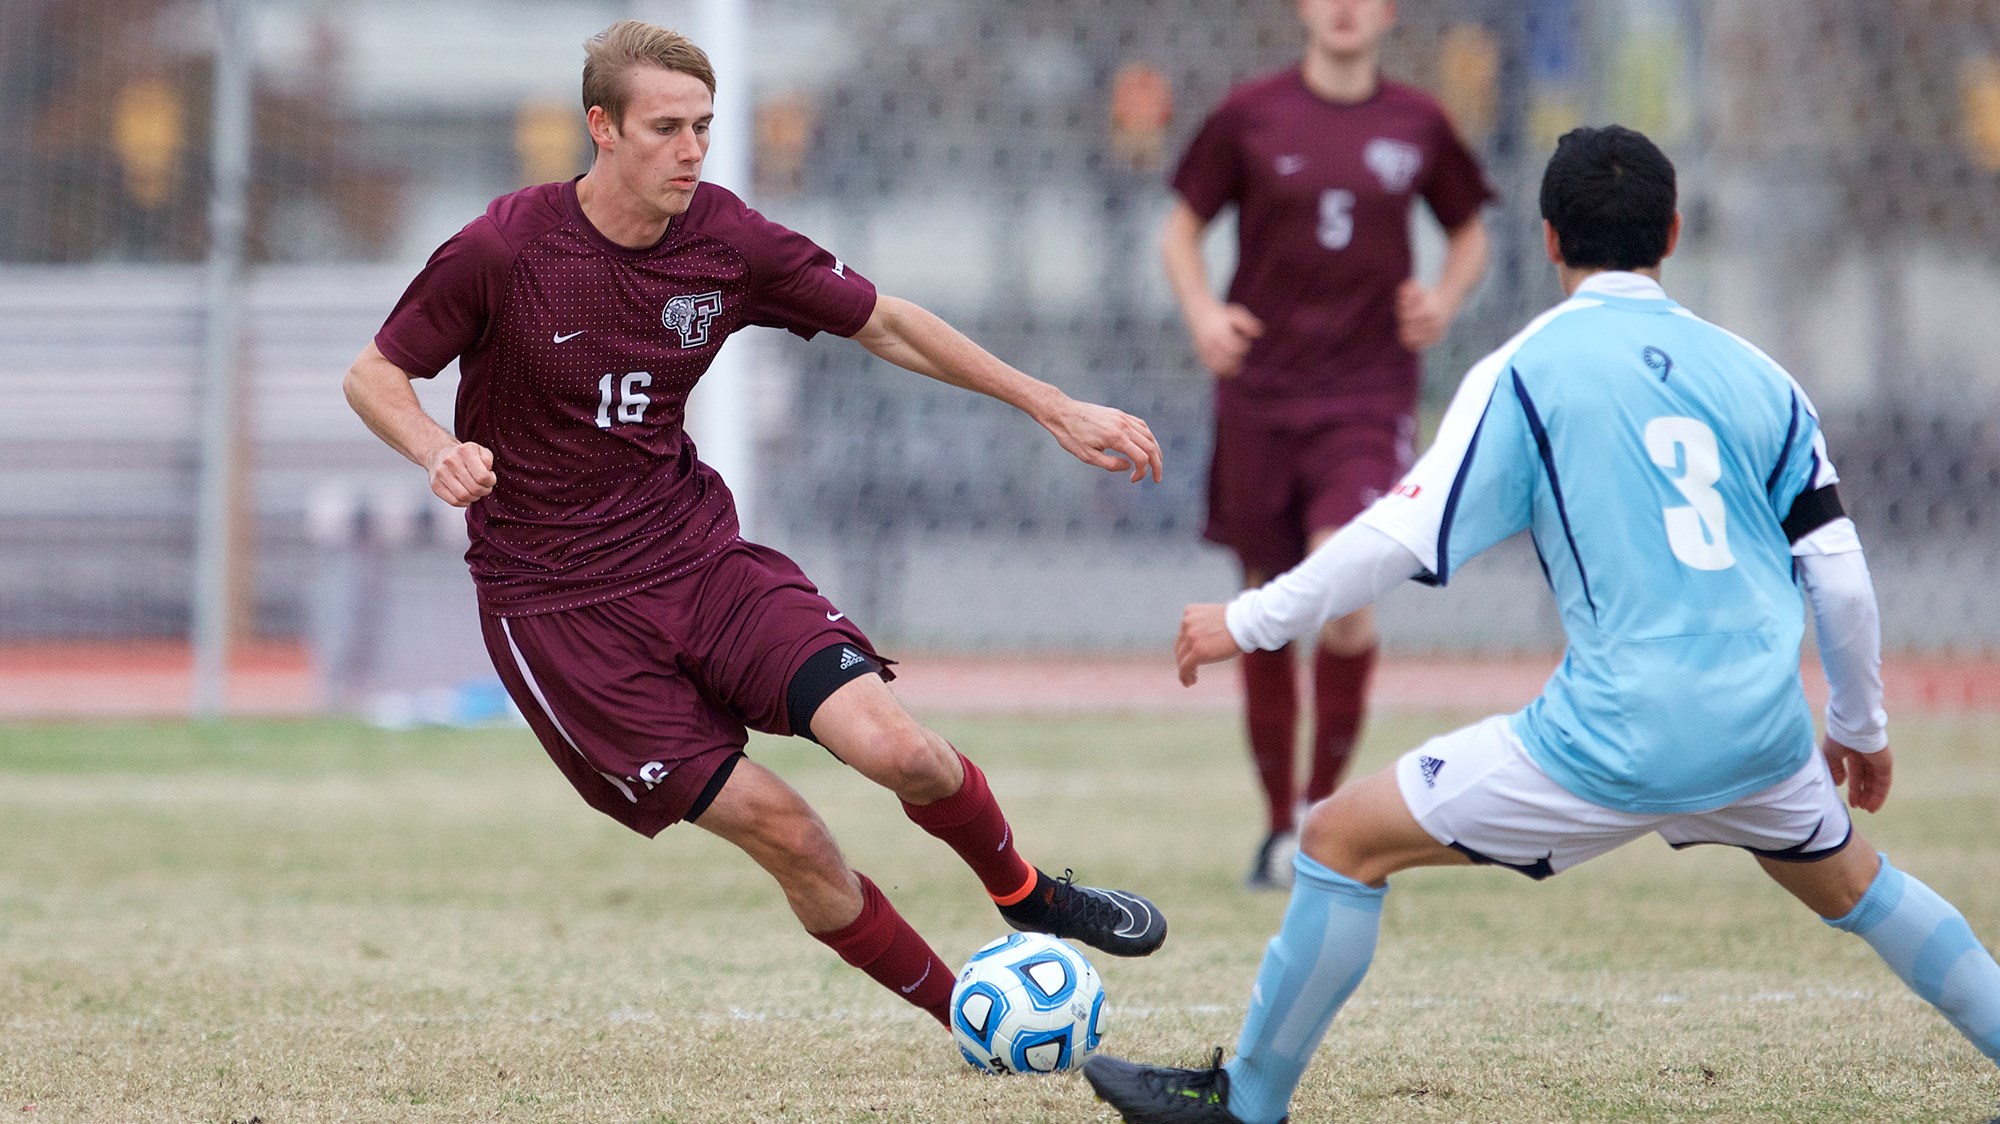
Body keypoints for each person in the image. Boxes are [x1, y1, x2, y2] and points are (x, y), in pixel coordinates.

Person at [1084, 125, 2000, 1123]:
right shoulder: (1757, 375)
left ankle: (1245, 1103)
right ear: (1673, 233)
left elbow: (1396, 530)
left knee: (1337, 838)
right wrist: (1858, 727)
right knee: (1856, 888)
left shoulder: (1525, 370)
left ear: (1550, 239)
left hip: (1609, 731)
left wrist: (1248, 618)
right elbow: (1839, 574)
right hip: (1759, 726)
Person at [342, 20, 1169, 1031]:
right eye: (665, 128)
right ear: (601, 128)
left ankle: (1026, 892)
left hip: (695, 558)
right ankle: (974, 1018)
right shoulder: (507, 246)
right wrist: (436, 447)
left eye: (703, 126)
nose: (692, 150)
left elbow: (888, 320)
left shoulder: (724, 239)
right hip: (561, 612)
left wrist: (1050, 403)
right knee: (790, 831)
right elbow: (373, 372)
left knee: (896, 746)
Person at [1162, 0, 1493, 888]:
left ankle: (1319, 813)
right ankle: (1277, 828)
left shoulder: (1419, 122)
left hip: (1366, 395)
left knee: (1344, 597)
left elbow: (1469, 227)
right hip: (1261, 397)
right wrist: (1202, 313)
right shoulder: (1249, 113)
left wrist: (1446, 297)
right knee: (1266, 605)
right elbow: (1181, 226)